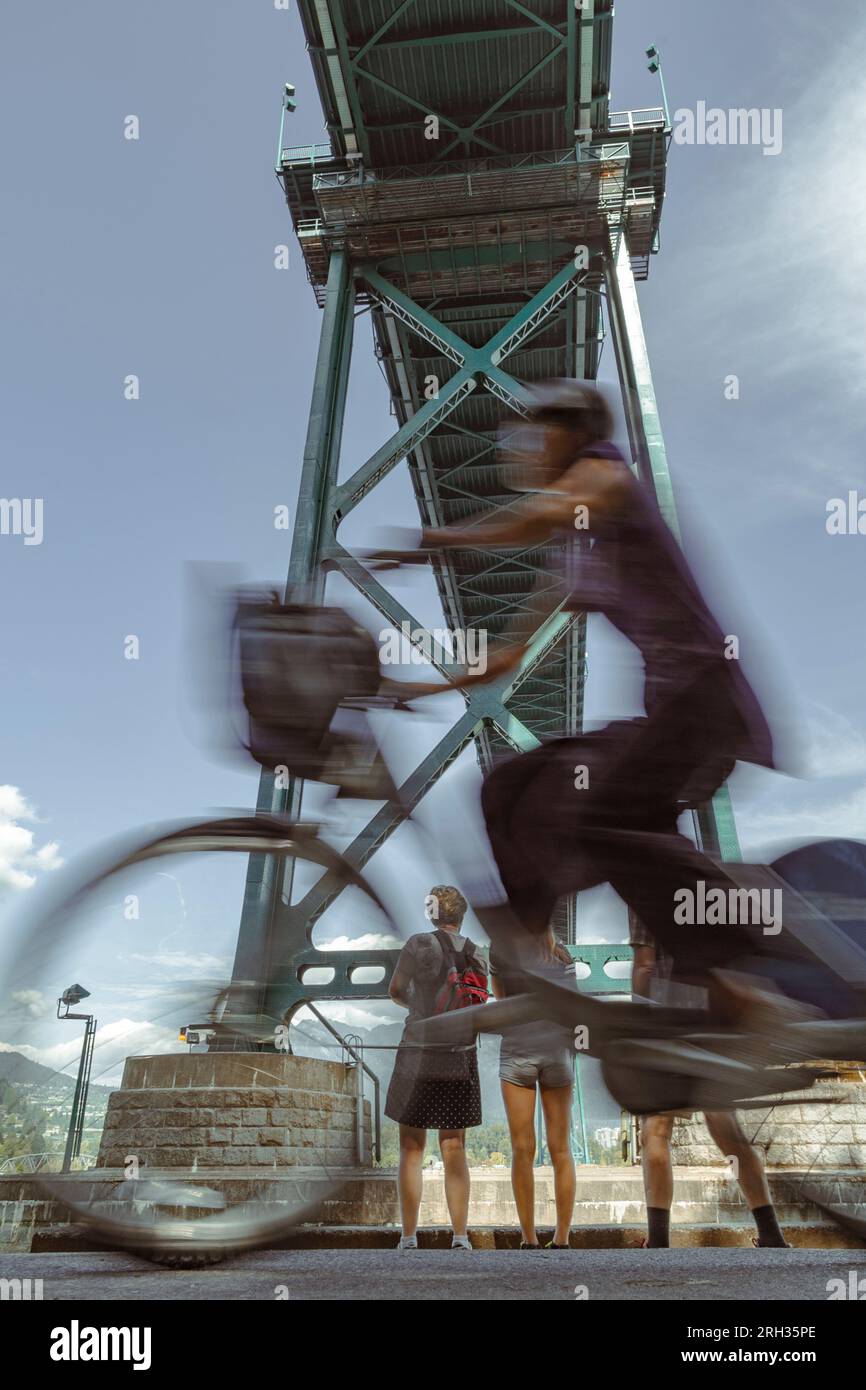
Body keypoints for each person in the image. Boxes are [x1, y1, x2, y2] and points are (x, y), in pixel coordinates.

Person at [629, 915, 789, 1249]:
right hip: (711, 1023)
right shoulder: (706, 888)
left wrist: (638, 1023)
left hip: (667, 1025)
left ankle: (658, 1240)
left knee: (656, 1130)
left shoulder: (643, 887)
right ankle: (771, 1232)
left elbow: (645, 968)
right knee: (727, 1130)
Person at [385, 885, 485, 1251]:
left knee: (411, 1147)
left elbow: (396, 990)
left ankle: (409, 1237)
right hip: (459, 1054)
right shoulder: (477, 953)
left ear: (433, 913)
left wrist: (419, 1006)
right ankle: (460, 1236)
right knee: (454, 1145)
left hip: (417, 1052)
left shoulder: (417, 944)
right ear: (460, 916)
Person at [489, 926, 577, 1249]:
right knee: (561, 1150)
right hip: (556, 1050)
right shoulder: (562, 954)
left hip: (518, 1049)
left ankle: (528, 1238)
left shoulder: (500, 948)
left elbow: (500, 1000)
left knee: (522, 1150)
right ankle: (563, 1237)